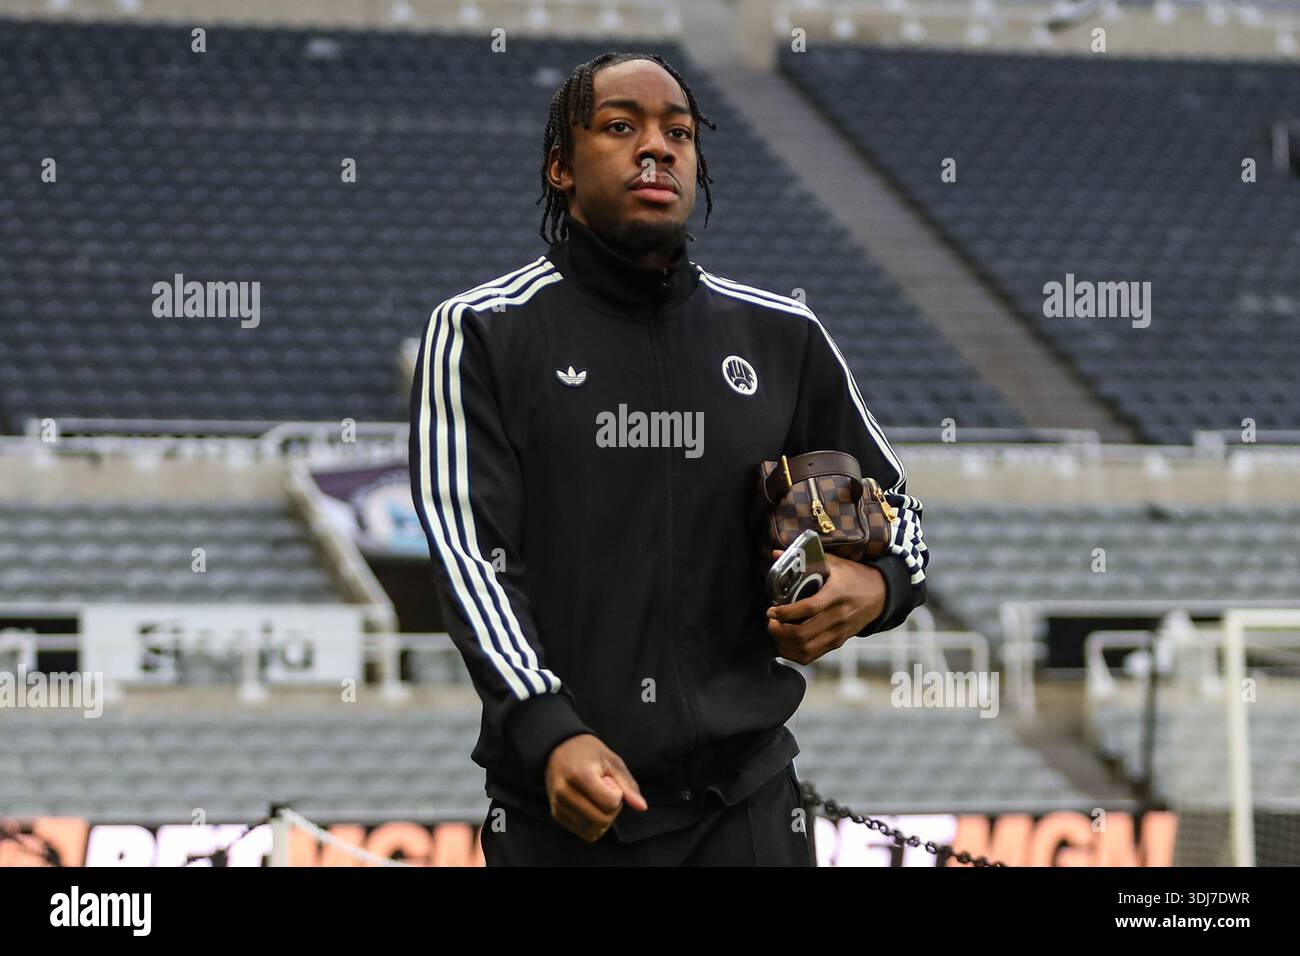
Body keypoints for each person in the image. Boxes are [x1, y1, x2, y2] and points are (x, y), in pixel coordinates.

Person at [408, 51, 928, 866]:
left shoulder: (782, 336)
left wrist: (881, 583)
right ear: (561, 168)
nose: (658, 148)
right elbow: (472, 561)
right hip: (568, 808)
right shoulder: (483, 332)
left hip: (748, 807)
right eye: (620, 126)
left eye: (678, 132)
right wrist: (547, 729)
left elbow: (903, 517)